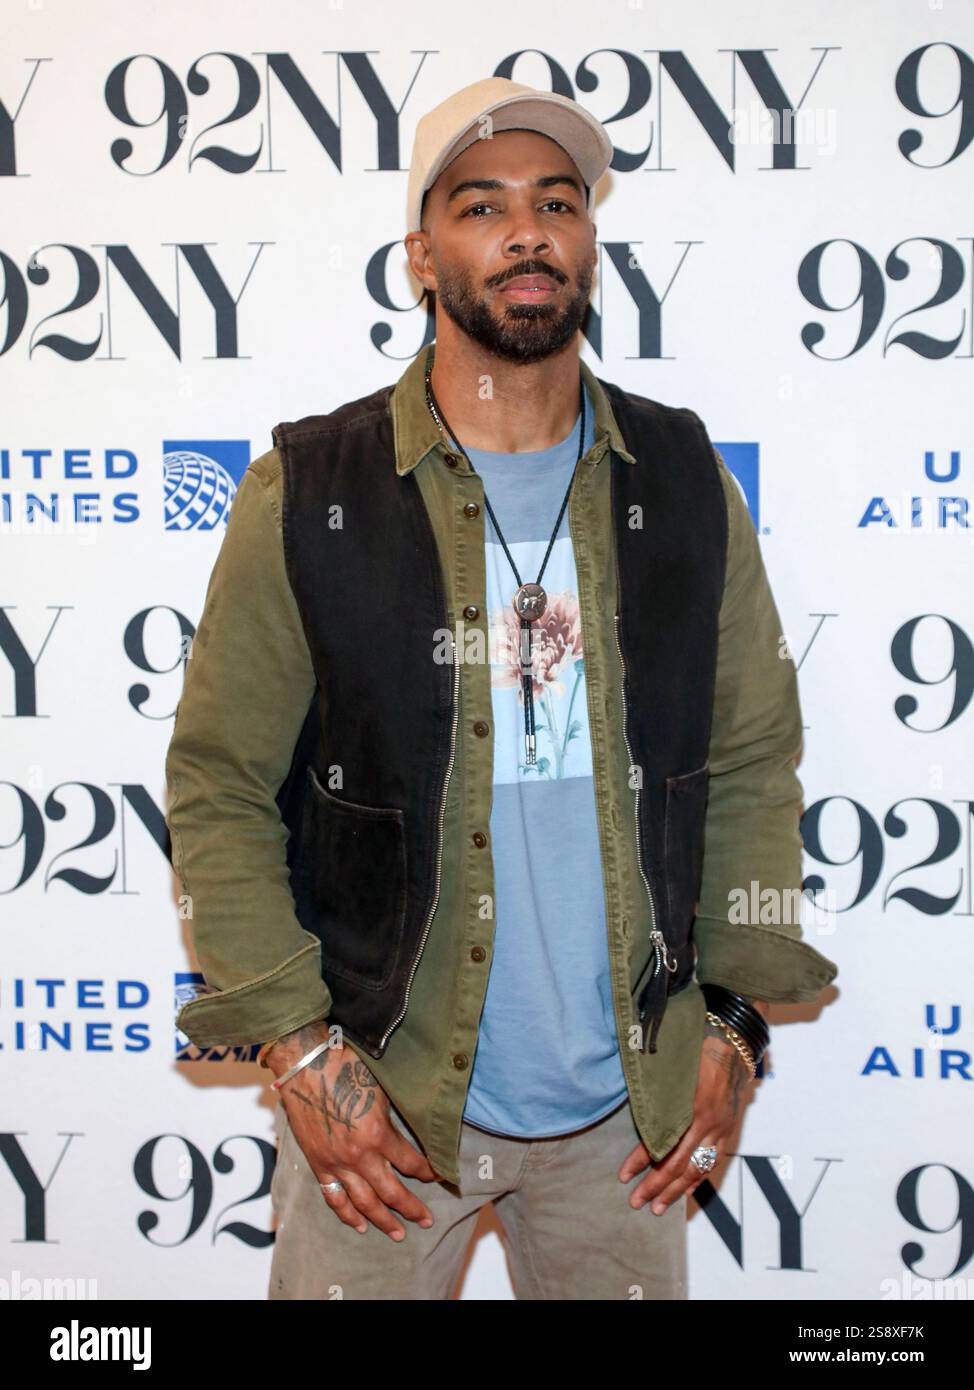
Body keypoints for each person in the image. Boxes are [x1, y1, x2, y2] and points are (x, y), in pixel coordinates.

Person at [164, 75, 838, 1300]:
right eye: (481, 207)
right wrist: (301, 1047)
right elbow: (217, 786)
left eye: (558, 202)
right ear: (422, 255)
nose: (526, 232)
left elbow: (747, 761)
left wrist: (733, 1023)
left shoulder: (680, 479)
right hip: (384, 1097)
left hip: (620, 1114)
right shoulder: (306, 492)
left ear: (586, 241)